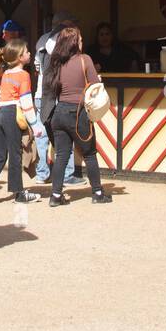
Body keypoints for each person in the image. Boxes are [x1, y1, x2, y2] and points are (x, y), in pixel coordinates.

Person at [43, 26, 112, 206]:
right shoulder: (85, 60)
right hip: (78, 112)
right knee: (89, 154)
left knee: (62, 156)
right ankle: (97, 193)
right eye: (80, 39)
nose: (82, 42)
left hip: (59, 113)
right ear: (74, 43)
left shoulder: (55, 62)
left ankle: (56, 196)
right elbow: (95, 84)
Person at [0, 39, 44, 205]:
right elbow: (26, 102)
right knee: (15, 154)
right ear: (20, 57)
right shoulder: (24, 75)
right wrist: (35, 125)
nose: (29, 54)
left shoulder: (6, 74)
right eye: (27, 52)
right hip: (11, 114)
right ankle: (19, 193)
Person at [34, 11, 83, 188]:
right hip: (54, 94)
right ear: (64, 23)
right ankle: (68, 174)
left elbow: (37, 67)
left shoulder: (41, 40)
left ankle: (42, 173)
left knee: (41, 136)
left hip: (39, 93)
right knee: (63, 134)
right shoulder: (62, 39)